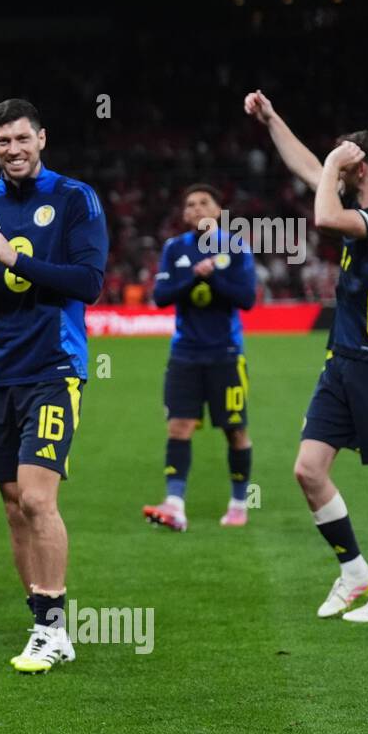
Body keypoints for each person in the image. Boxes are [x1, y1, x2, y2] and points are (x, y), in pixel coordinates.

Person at [246, 90, 368, 623]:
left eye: (343, 157)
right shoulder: (360, 205)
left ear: (360, 166)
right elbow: (308, 169)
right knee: (308, 469)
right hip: (342, 360)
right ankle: (354, 571)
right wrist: (274, 119)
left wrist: (330, 167)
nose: (332, 164)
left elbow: (322, 216)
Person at [0, 98, 108, 672]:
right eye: (2, 141)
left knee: (39, 498)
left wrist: (14, 258)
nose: (13, 149)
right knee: (15, 505)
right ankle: (41, 617)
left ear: (42, 138)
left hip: (53, 368)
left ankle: (52, 631)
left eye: (22, 138)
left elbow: (88, 282)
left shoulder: (74, 198)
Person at [142, 184, 256, 531]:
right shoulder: (174, 248)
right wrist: (193, 276)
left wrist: (214, 275)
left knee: (235, 430)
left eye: (204, 202)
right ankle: (175, 504)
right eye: (190, 204)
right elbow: (161, 296)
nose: (196, 209)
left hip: (226, 354)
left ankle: (239, 502)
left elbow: (247, 298)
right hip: (185, 353)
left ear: (219, 209)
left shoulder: (236, 247)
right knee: (179, 426)